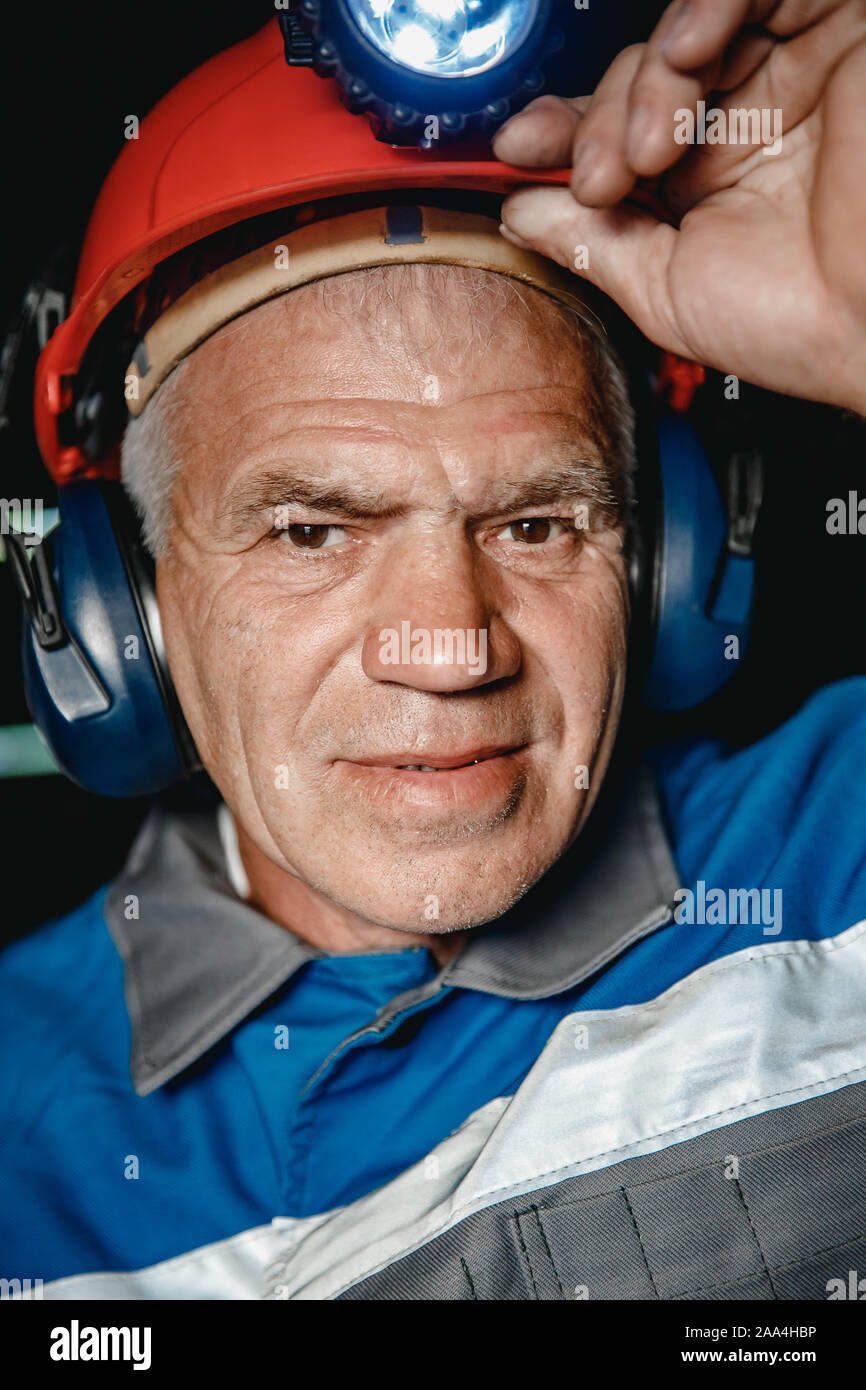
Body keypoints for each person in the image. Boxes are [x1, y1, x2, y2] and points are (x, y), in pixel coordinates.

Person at [1, 0, 865, 1301]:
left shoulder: (833, 849)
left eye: (532, 521)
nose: (449, 648)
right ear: (121, 603)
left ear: (664, 564)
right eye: (309, 530)